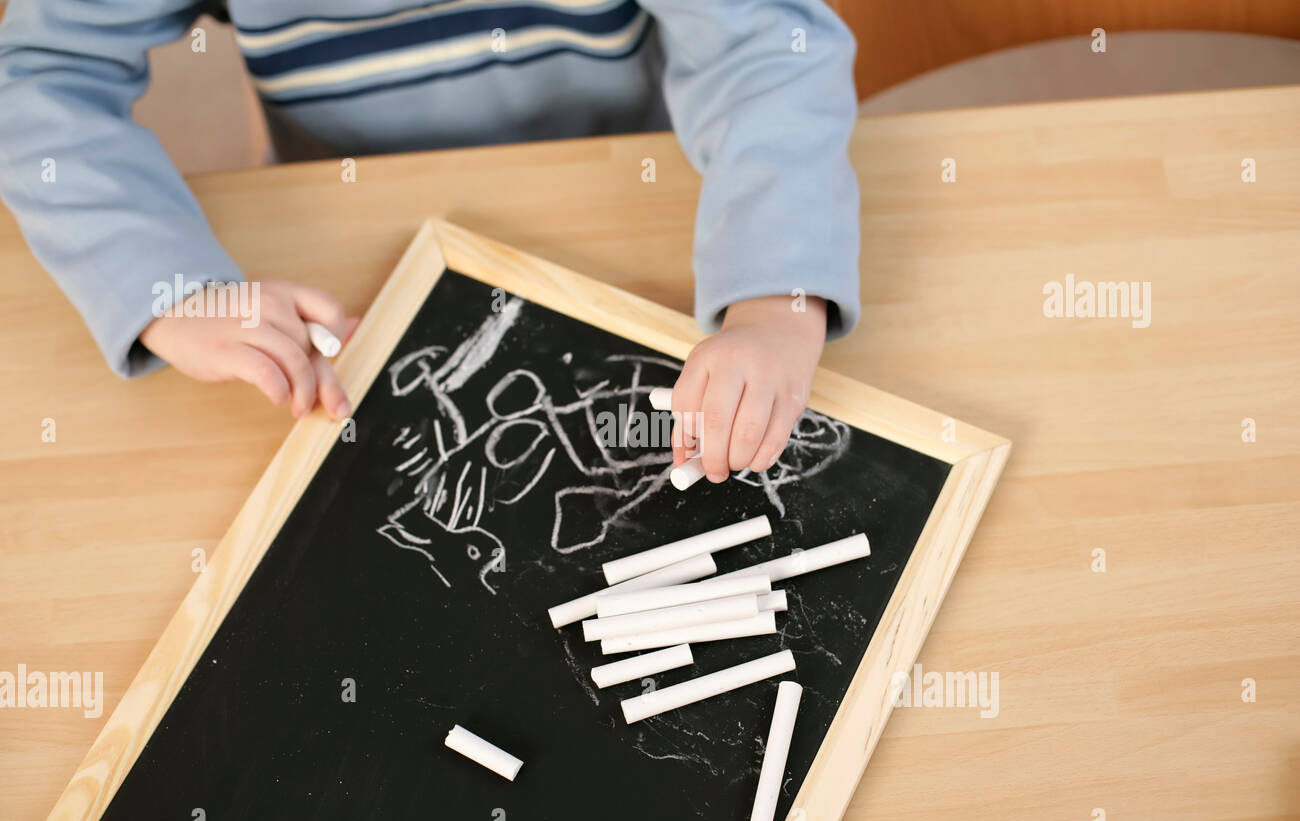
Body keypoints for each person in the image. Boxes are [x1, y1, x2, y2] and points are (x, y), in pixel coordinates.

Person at [0, 0, 860, 483]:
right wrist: (170, 288)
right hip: (349, 230)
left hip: (620, 204)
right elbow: (39, 80)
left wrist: (776, 295)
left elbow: (770, 49)